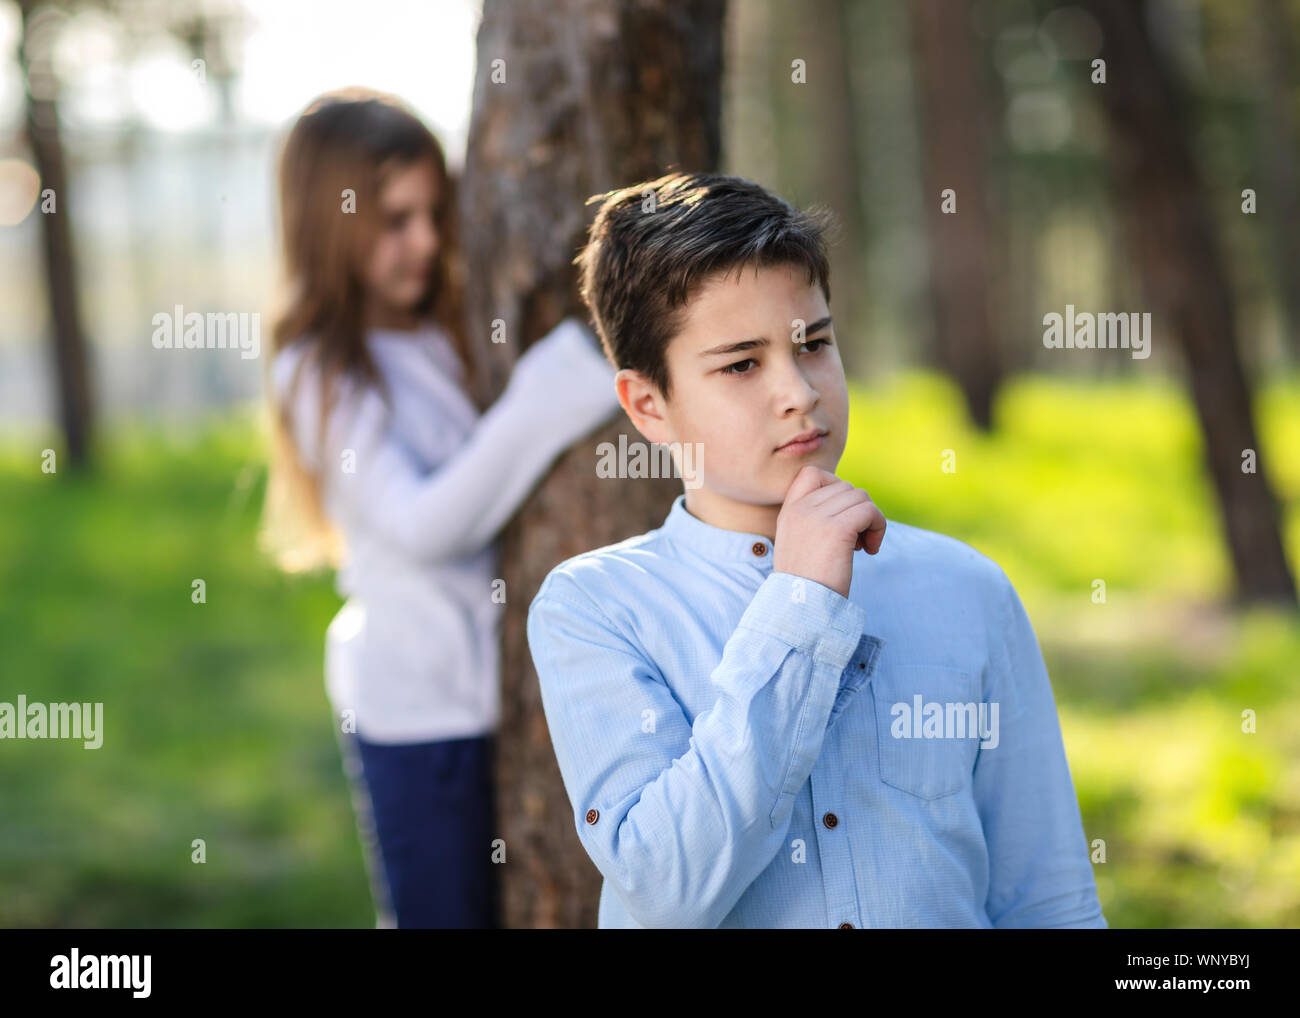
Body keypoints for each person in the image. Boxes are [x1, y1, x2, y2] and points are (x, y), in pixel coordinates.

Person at [526, 171, 1107, 928]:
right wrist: (799, 606)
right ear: (648, 405)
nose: (798, 390)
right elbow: (665, 888)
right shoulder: (596, 609)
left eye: (815, 343)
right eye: (741, 364)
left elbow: (1048, 897)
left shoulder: (966, 589)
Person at [259, 87, 618, 928]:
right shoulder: (318, 367)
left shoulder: (449, 331)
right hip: (417, 716)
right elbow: (423, 524)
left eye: (434, 212)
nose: (424, 241)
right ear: (327, 222)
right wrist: (550, 393)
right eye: (393, 219)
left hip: (500, 699)